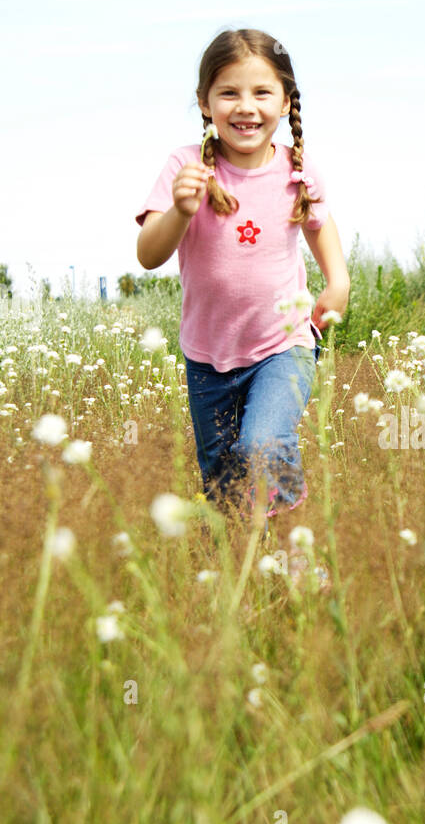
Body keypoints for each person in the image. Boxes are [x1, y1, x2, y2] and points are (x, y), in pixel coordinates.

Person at [134, 27, 350, 547]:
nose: (245, 107)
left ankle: (302, 558)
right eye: (229, 92)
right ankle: (246, 576)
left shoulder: (298, 167)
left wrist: (337, 280)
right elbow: (148, 254)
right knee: (226, 486)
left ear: (285, 101)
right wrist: (182, 212)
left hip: (284, 344)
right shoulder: (185, 167)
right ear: (205, 103)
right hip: (208, 357)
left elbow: (320, 226)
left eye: (261, 92)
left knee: (264, 443)